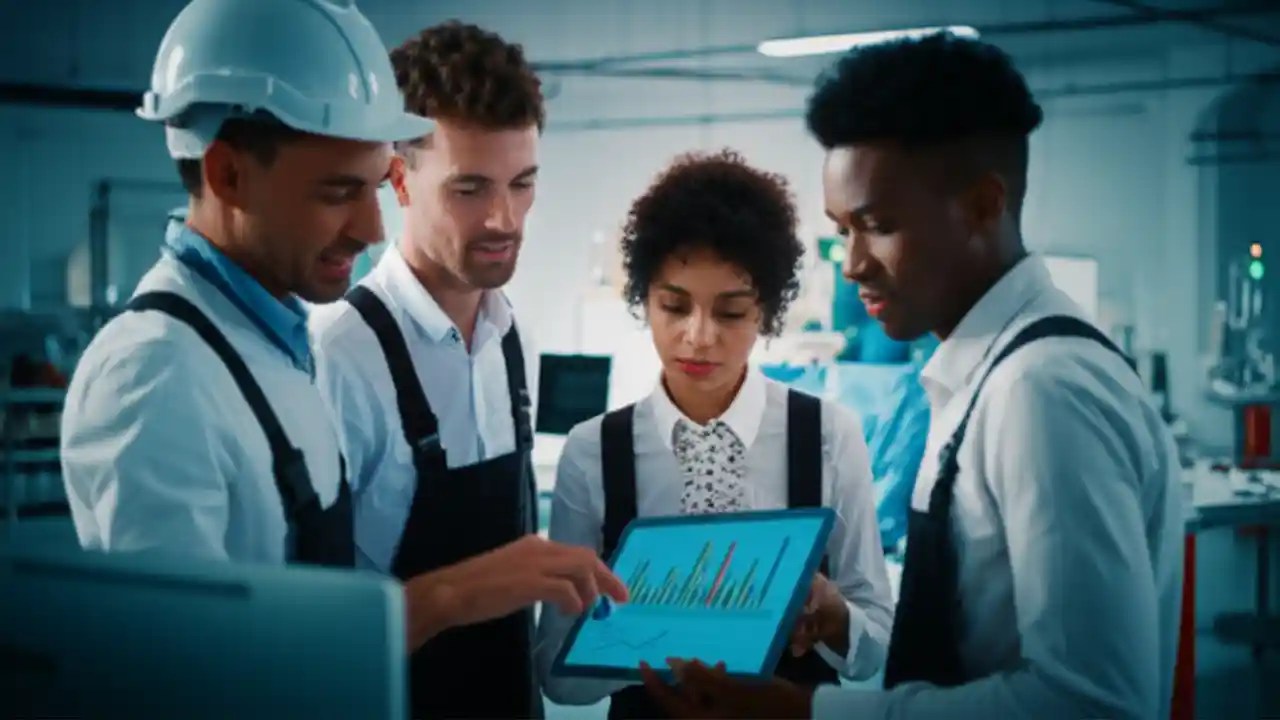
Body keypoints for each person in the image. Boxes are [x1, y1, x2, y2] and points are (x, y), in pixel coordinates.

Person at [60, 0, 622, 669]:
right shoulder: (152, 373)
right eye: (336, 192)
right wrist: (451, 595)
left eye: (367, 187)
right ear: (228, 175)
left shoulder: (270, 345)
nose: (370, 230)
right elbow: (186, 677)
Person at [641, 32, 1185, 720]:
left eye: (879, 225)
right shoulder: (982, 378)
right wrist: (842, 621)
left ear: (985, 205)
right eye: (842, 230)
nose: (853, 263)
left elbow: (1092, 702)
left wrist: (806, 713)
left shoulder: (1042, 391)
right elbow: (978, 652)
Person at [536, 149, 895, 719]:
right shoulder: (593, 451)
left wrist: (834, 614)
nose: (698, 337)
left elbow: (872, 649)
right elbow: (556, 675)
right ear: (643, 301)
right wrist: (619, 634)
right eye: (673, 306)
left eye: (730, 313)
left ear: (768, 313)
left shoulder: (829, 433)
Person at [309, 20, 557, 720]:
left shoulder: (514, 339)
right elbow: (318, 637)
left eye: (523, 182)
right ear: (399, 178)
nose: (505, 218)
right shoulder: (341, 357)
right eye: (470, 188)